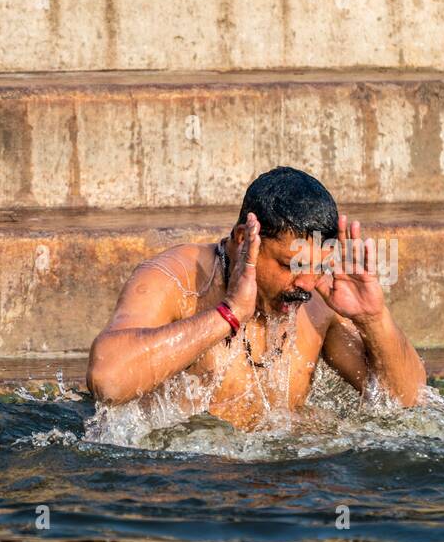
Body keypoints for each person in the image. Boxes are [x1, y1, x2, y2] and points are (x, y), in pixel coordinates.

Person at [86, 167, 426, 428]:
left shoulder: (319, 298)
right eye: (289, 265)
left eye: (316, 266)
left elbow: (408, 406)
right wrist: (228, 314)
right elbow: (108, 381)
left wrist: (374, 319)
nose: (306, 283)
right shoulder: (180, 278)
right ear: (242, 240)